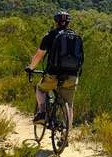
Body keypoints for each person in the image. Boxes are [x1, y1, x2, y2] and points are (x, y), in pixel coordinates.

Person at [25, 10, 84, 144]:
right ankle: (65, 135)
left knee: (40, 89)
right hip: (72, 76)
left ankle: (41, 112)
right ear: (68, 23)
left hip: (53, 75)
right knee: (69, 104)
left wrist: (31, 67)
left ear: (55, 22)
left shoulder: (50, 36)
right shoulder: (76, 37)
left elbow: (39, 55)